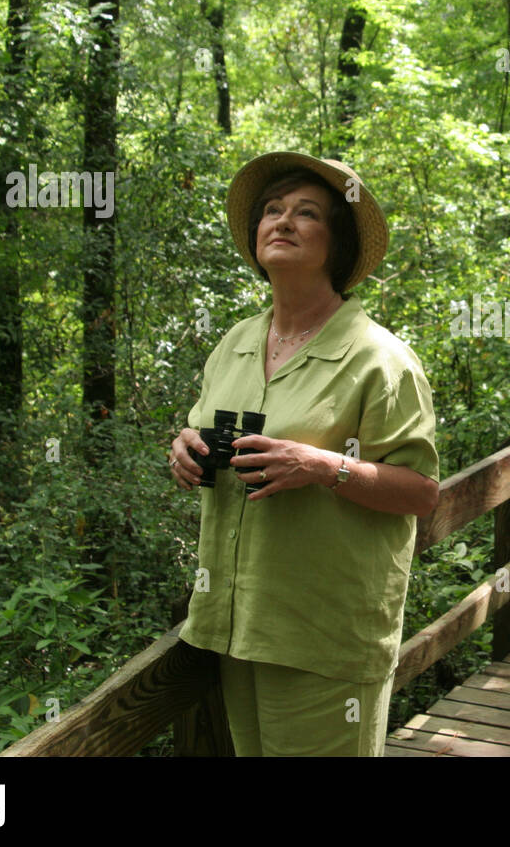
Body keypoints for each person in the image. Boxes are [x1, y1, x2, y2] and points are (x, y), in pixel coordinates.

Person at [166, 151, 439, 756]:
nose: (282, 221)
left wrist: (323, 466)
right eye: (272, 210)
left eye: (306, 213)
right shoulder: (236, 342)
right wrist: (184, 449)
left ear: (336, 243)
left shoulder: (380, 359)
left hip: (325, 633)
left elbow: (421, 492)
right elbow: (198, 428)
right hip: (240, 623)